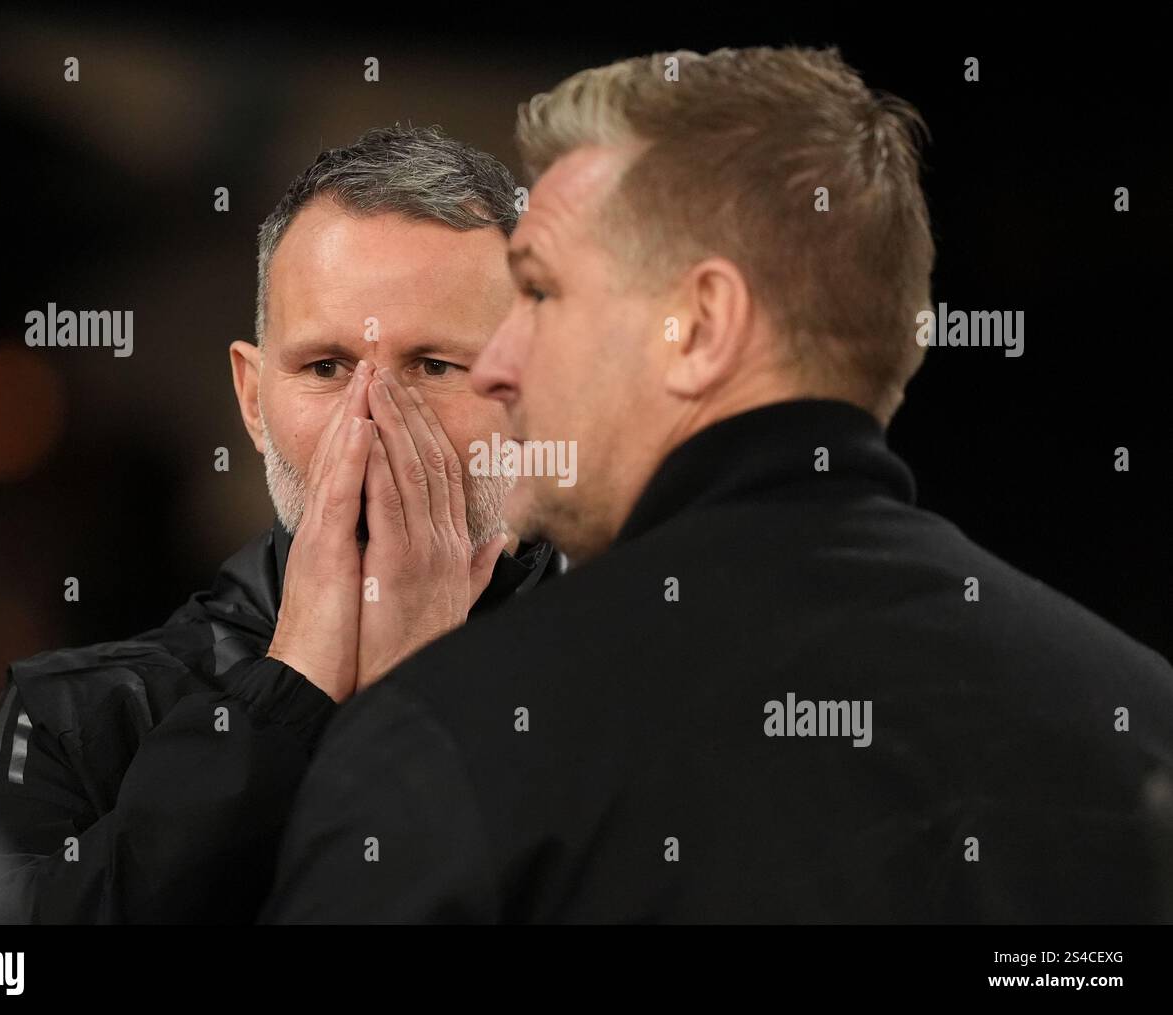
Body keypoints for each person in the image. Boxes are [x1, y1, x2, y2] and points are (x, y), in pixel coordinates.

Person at [262, 47, 1173, 923]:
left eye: (539, 294)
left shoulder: (454, 736)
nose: (497, 367)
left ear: (700, 327)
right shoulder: (1140, 717)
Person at [0, 125, 562, 923]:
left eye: (433, 366)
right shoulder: (77, 717)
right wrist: (289, 695)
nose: (374, 420)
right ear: (253, 400)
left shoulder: (646, 692)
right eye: (326, 367)